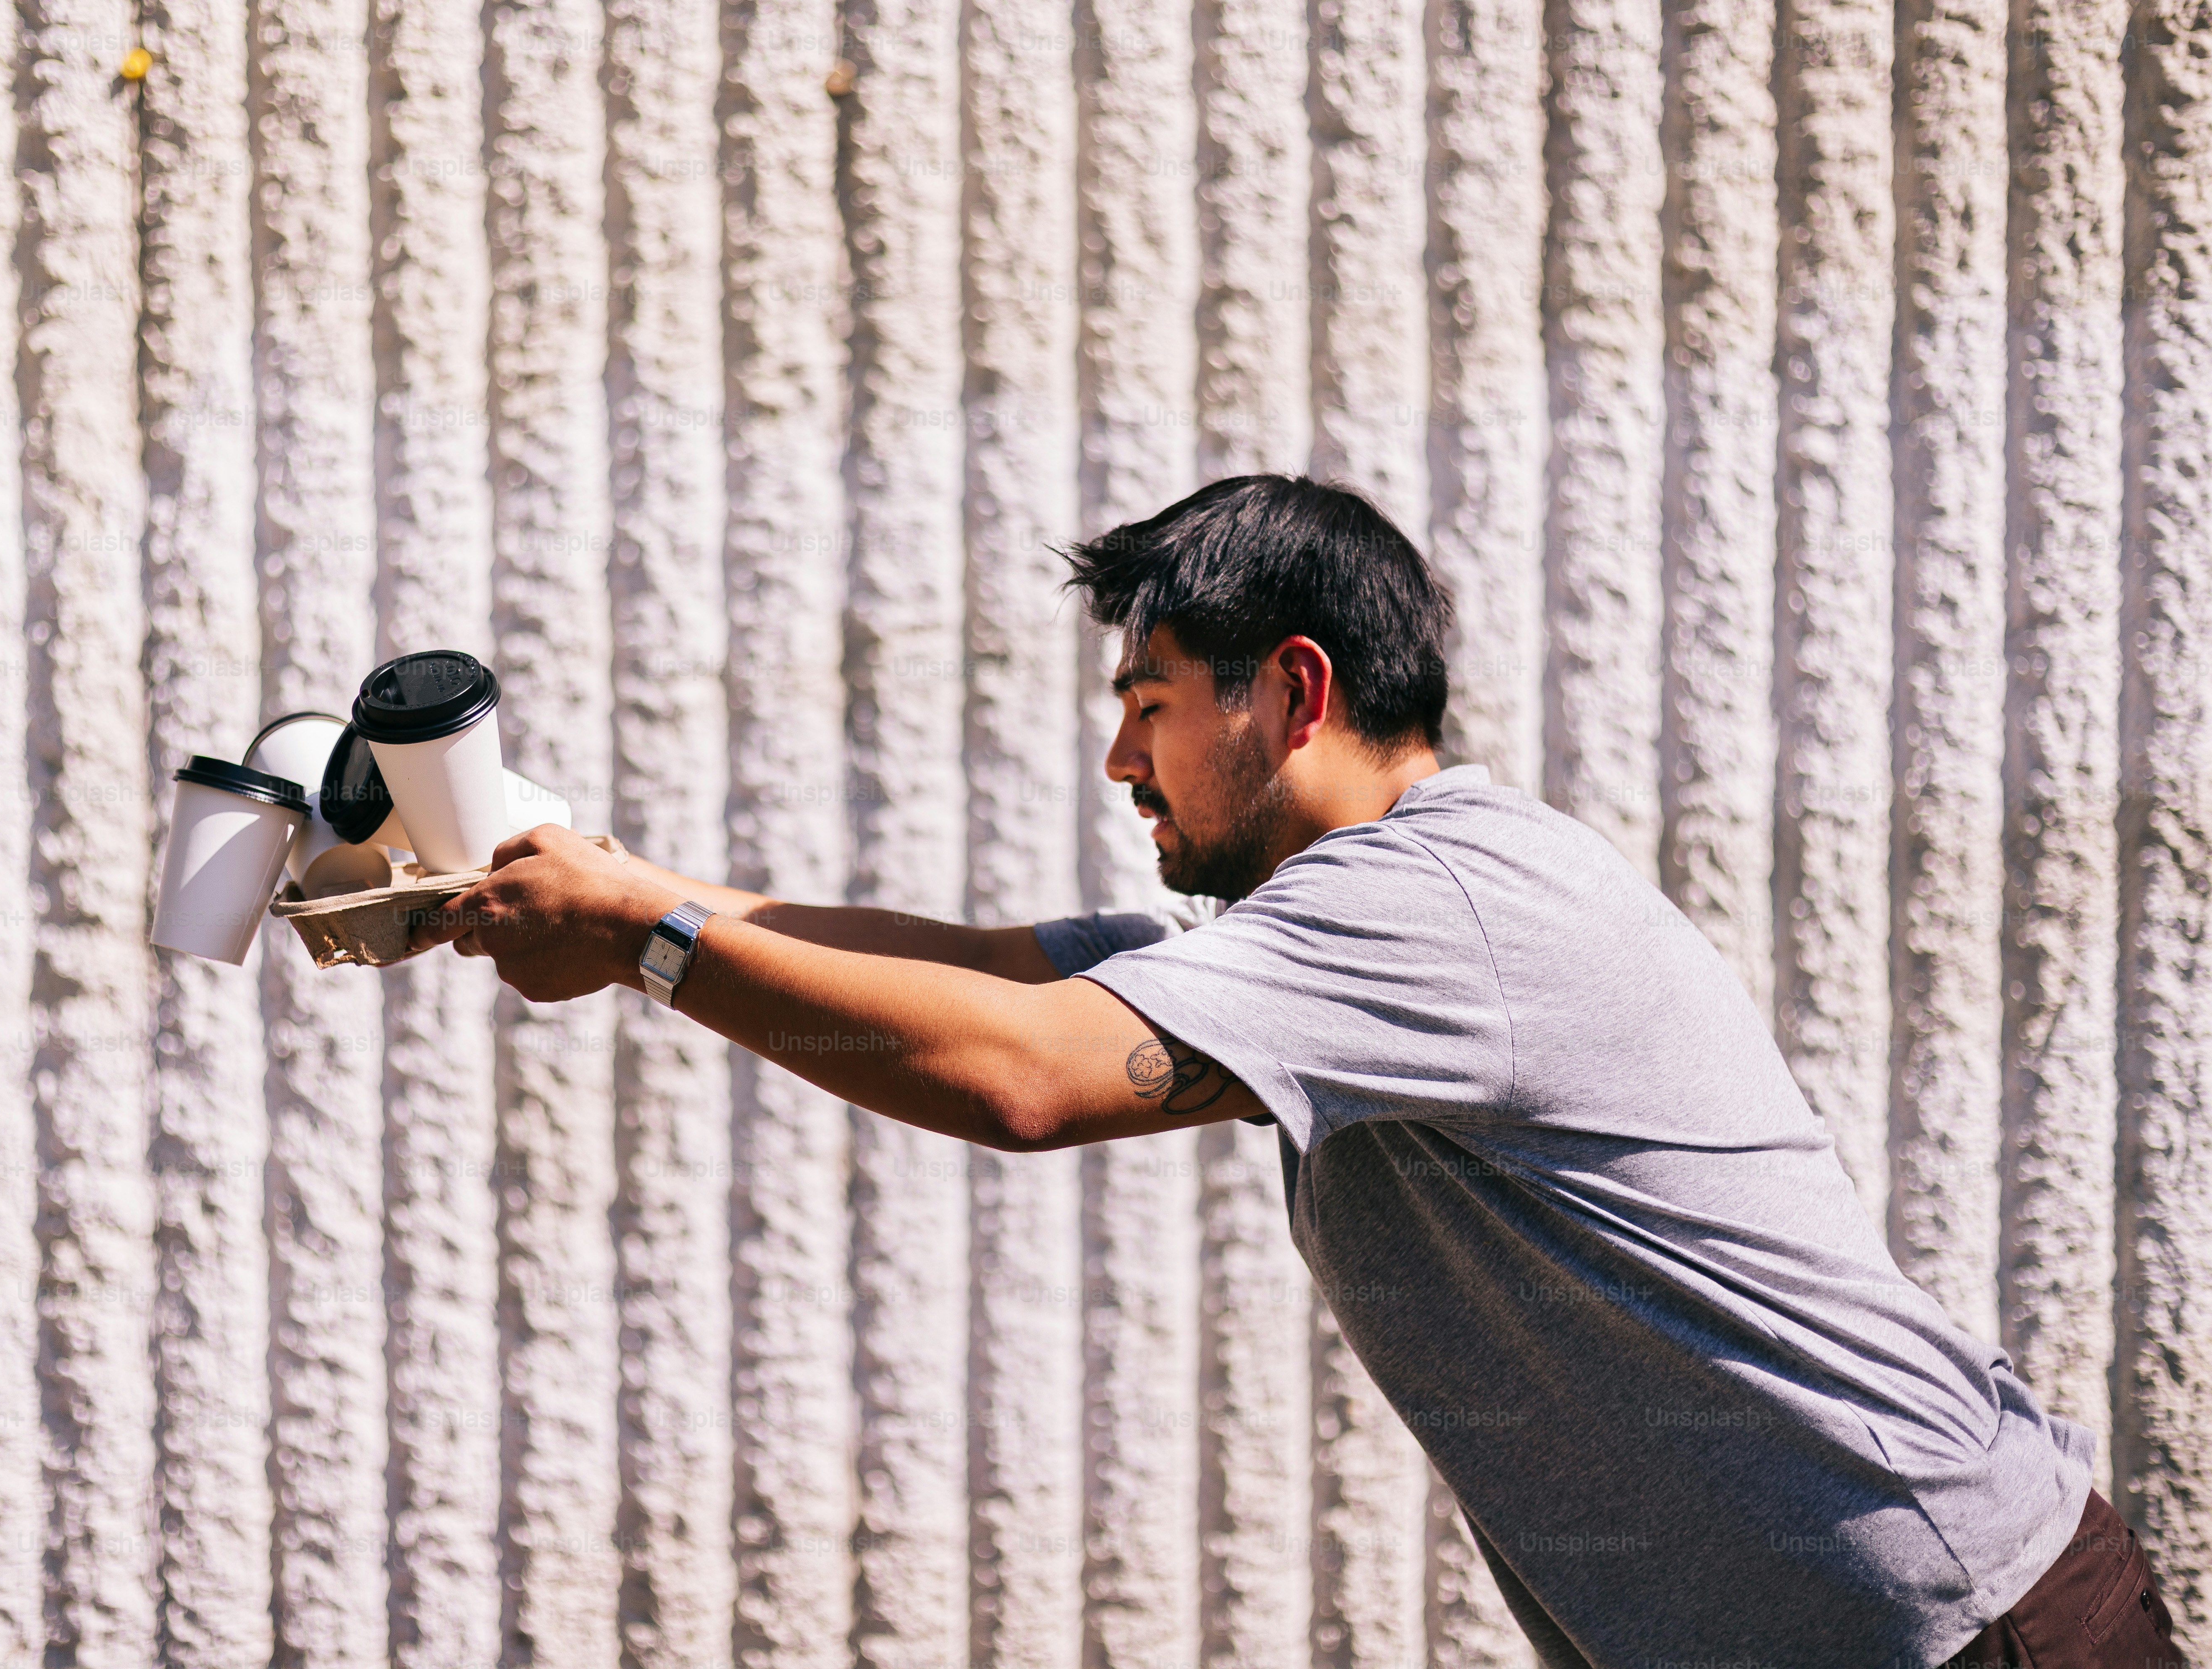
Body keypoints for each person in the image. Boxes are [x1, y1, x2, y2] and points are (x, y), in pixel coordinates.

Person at [416, 475, 2185, 1667]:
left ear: (1297, 690)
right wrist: (603, 882)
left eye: (1153, 696)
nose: (1120, 752)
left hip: (1964, 1630)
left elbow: (1027, 1077)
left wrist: (649, 941)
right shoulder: (1342, 919)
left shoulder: (1444, 907)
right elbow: (992, 969)